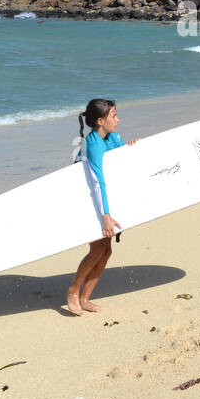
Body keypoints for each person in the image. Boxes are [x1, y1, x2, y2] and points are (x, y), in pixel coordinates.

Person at [68, 99, 138, 315]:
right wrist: (106, 215)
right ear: (100, 120)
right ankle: (72, 292)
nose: (118, 120)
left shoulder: (113, 138)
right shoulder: (93, 145)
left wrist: (130, 149)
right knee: (97, 249)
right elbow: (98, 182)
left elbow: (119, 170)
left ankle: (85, 298)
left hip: (103, 200)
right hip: (89, 201)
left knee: (106, 250)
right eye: (114, 116)